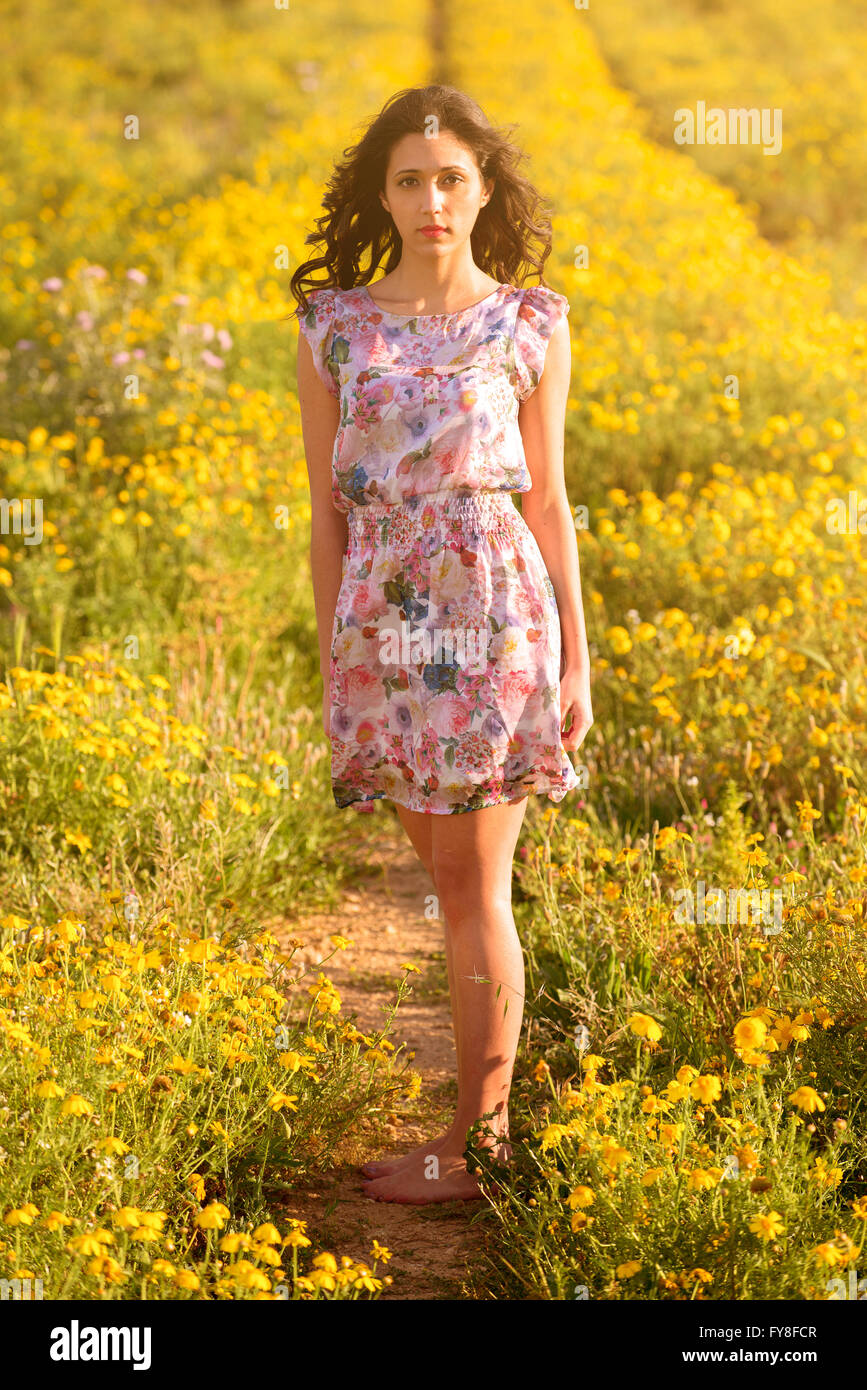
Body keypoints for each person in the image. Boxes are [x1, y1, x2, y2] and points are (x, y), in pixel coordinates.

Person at [292, 84, 593, 1204]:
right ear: (383, 191)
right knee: (440, 872)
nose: (431, 200)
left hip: (495, 607)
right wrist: (337, 650)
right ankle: (475, 1126)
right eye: (410, 179)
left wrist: (578, 657)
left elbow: (552, 500)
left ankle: (481, 1149)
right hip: (381, 612)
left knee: (475, 885)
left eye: (451, 178)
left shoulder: (530, 321)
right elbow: (324, 507)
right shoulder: (335, 323)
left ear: (482, 190)